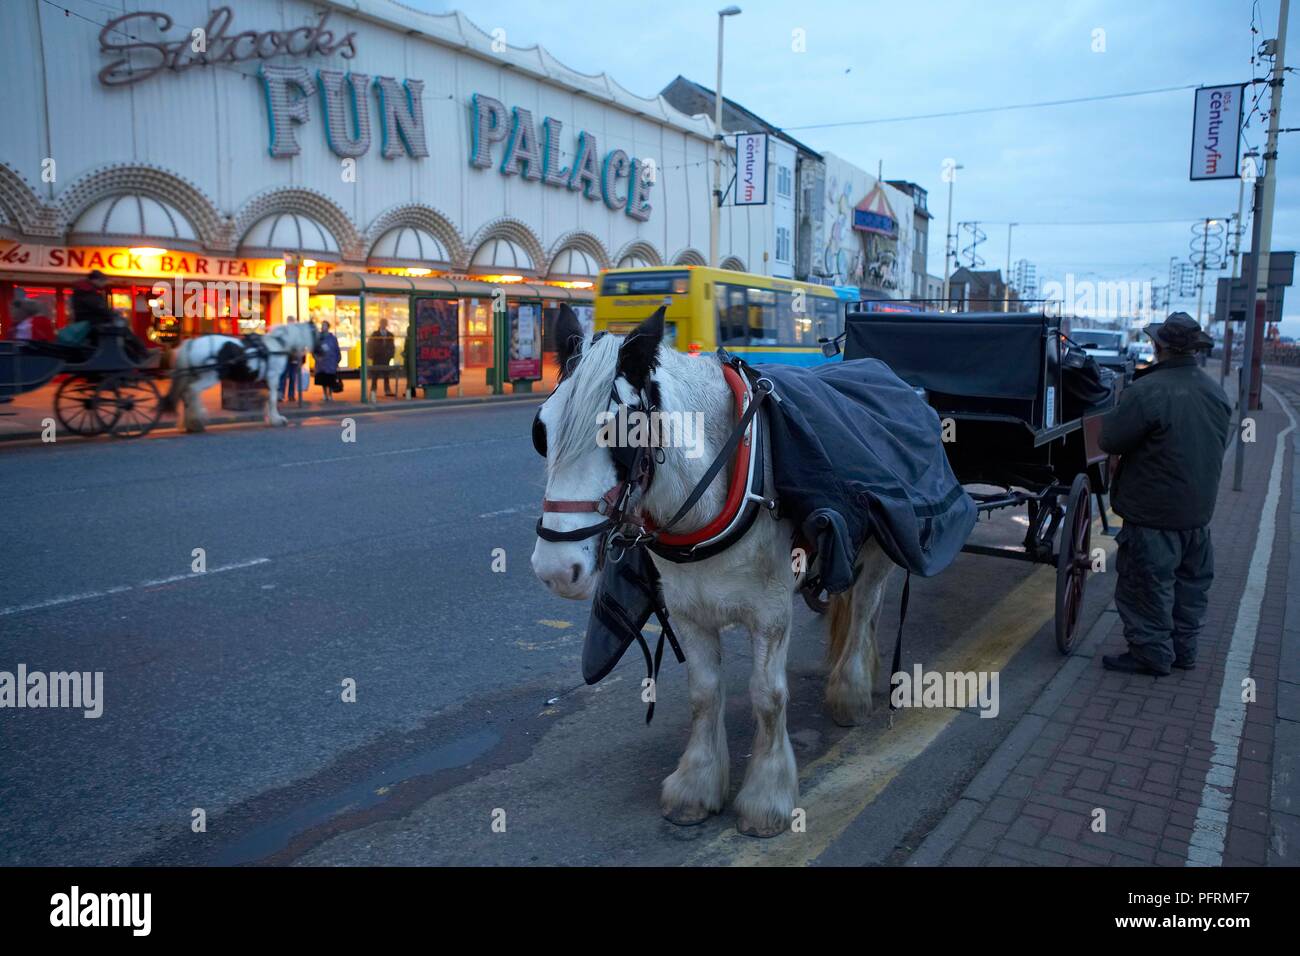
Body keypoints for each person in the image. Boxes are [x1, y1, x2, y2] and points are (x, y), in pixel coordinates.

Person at [1098, 312, 1232, 676]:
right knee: (1191, 587)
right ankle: (1184, 651)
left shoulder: (1148, 391)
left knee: (1147, 584)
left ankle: (1151, 655)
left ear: (1160, 347)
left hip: (1152, 512)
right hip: (1198, 514)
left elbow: (1110, 439)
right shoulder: (1215, 393)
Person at [367, 317, 396, 397]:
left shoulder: (390, 335)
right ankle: (373, 390)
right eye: (382, 323)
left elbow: (392, 346)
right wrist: (371, 355)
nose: (383, 325)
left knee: (386, 375)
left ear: (386, 325)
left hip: (386, 357)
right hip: (377, 357)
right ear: (380, 324)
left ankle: (387, 390)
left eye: (384, 323)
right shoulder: (375, 334)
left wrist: (391, 355)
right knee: (375, 375)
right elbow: (370, 345)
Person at [313, 320, 341, 402]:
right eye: (322, 325)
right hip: (321, 362)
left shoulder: (332, 338)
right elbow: (315, 349)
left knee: (331, 379)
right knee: (323, 379)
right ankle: (325, 394)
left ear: (328, 327)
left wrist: (337, 359)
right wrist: (316, 357)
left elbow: (336, 349)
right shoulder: (318, 338)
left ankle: (330, 394)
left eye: (324, 326)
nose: (323, 327)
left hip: (331, 361)